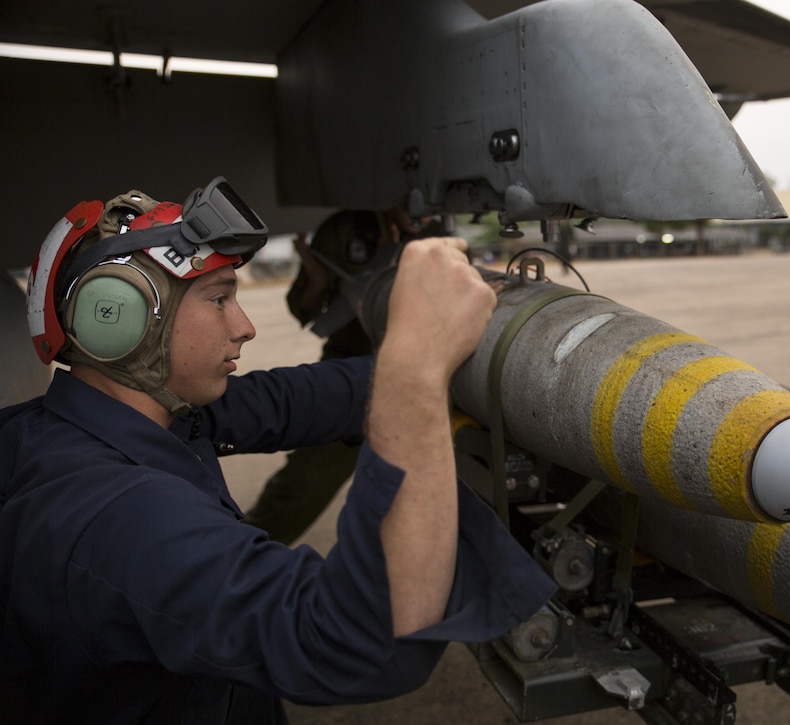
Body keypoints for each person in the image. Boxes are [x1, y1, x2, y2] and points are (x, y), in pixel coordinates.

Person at [0, 177, 555, 722]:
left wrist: (453, 345)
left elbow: (297, 400)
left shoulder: (93, 422)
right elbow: (359, 643)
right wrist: (416, 368)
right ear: (119, 320)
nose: (245, 328)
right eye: (219, 300)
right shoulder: (115, 517)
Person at [244, 208, 441, 544]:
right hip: (351, 374)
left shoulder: (433, 230)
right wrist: (318, 279)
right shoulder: (344, 230)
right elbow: (303, 309)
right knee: (306, 483)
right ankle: (239, 562)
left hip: (419, 376)